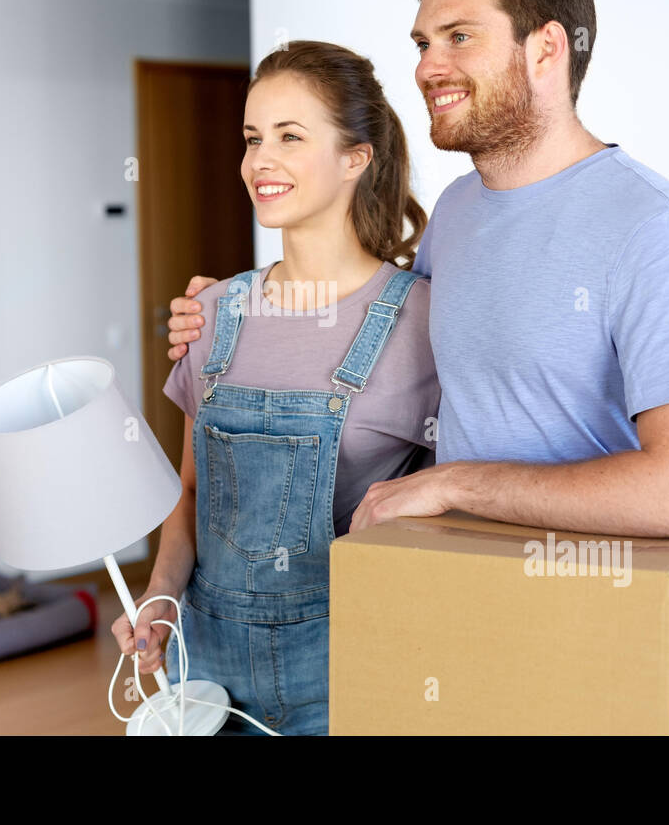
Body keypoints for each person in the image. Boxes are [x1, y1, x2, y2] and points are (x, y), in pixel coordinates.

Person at [167, 0, 669, 543]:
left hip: (582, 608)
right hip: (450, 592)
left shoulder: (656, 229)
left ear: (547, 48)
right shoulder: (460, 208)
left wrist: (453, 484)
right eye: (422, 43)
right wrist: (236, 310)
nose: (426, 69)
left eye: (459, 38)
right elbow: (377, 326)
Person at [111, 40, 439, 735]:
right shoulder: (213, 313)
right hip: (210, 678)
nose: (261, 161)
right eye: (252, 138)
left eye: (291, 137)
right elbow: (192, 496)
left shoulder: (423, 321)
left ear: (356, 157)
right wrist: (160, 597)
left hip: (352, 674)